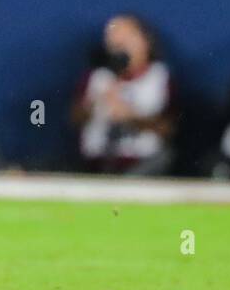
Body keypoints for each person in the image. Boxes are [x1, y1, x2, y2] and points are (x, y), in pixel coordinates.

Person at [73, 14, 177, 175]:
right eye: (113, 38)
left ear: (145, 42)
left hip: (143, 160)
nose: (119, 44)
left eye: (127, 37)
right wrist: (92, 104)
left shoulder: (159, 77)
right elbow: (75, 118)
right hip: (97, 160)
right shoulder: (97, 77)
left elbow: (169, 128)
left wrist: (131, 116)